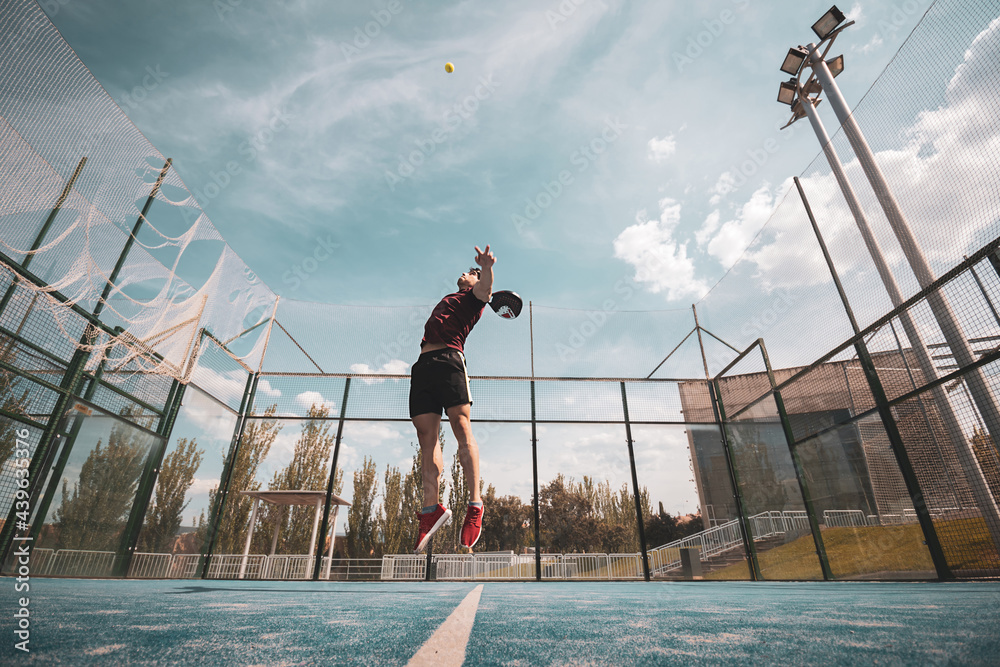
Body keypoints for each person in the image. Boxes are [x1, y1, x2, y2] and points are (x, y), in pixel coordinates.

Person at [410, 245, 495, 553]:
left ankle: (475, 505)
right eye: (470, 271)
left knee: (460, 424)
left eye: (471, 273)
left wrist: (485, 268)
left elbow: (486, 287)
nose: (467, 273)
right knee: (426, 438)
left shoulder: (476, 299)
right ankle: (431, 510)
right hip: (423, 366)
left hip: (449, 360)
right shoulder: (451, 297)